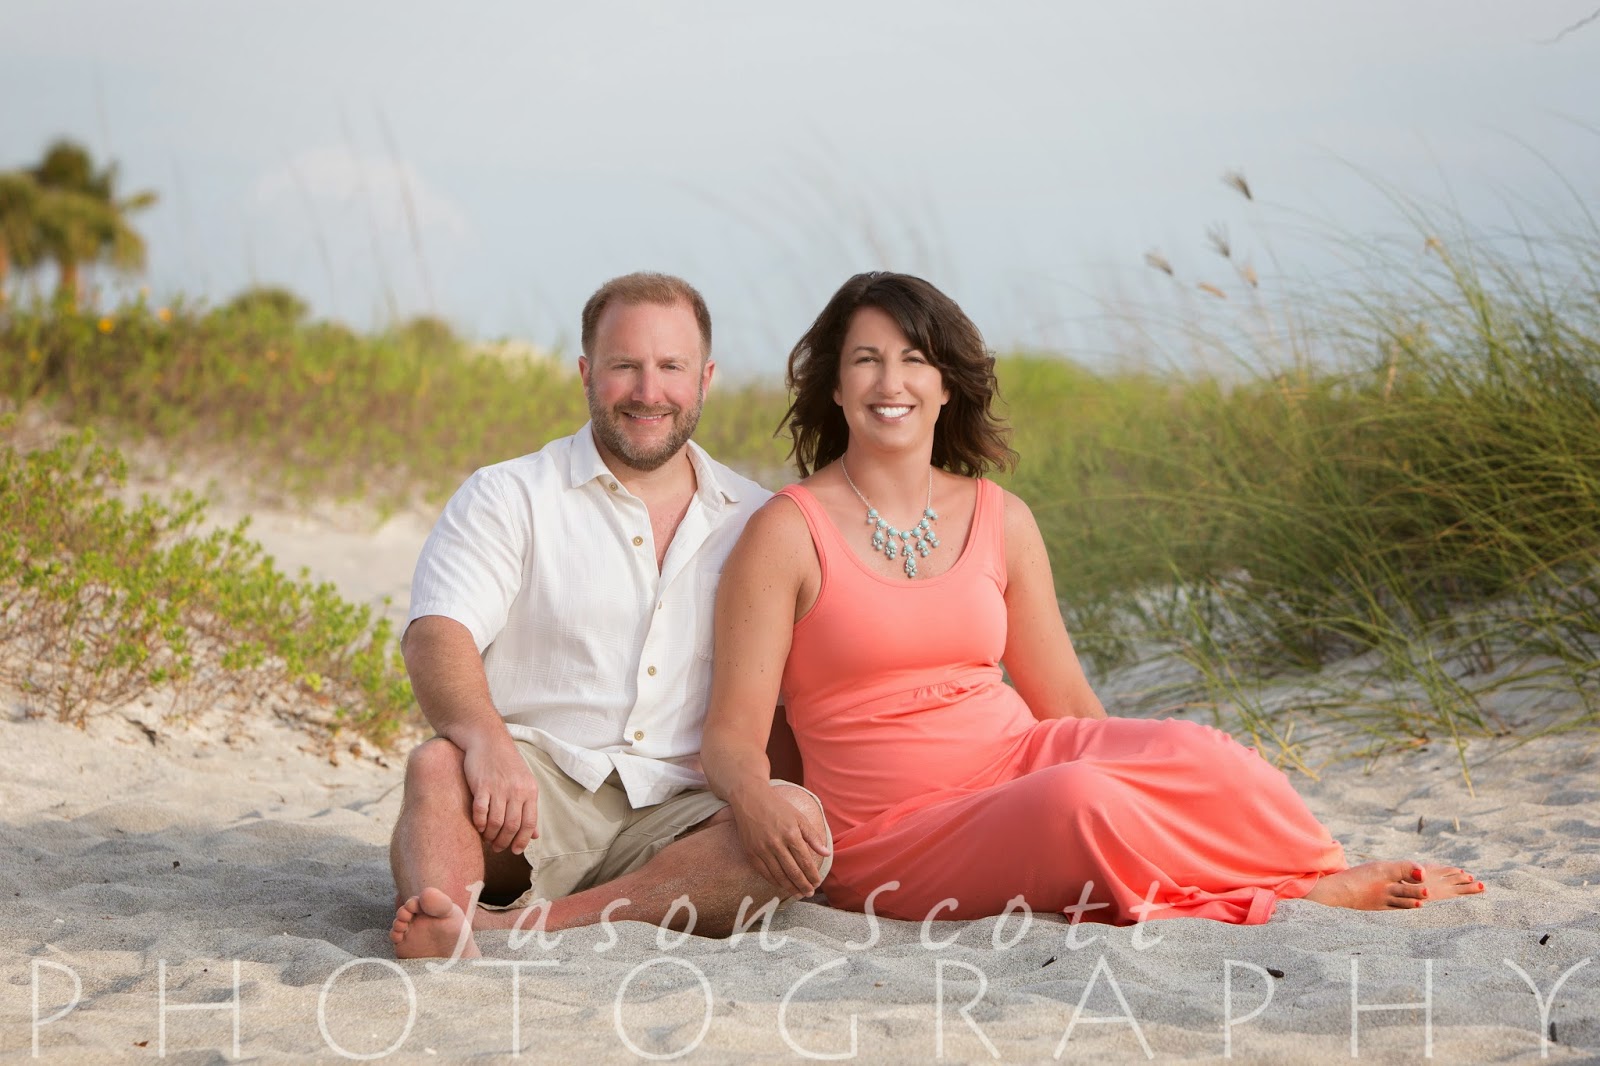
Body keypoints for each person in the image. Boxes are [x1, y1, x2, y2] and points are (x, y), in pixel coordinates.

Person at [700, 271, 1484, 925]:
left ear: (946, 387)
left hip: (1016, 760)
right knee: (1077, 800)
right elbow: (733, 733)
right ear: (835, 388)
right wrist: (758, 799)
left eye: (913, 359)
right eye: (865, 360)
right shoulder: (787, 532)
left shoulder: (1003, 518)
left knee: (1199, 751)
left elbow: (1064, 699)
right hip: (891, 831)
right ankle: (1301, 897)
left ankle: (1317, 867)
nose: (890, 381)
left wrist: (1145, 776)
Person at [389, 272, 832, 960]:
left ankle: (519, 928)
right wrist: (484, 738)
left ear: (705, 377)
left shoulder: (757, 520)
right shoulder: (509, 495)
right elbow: (437, 633)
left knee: (793, 821)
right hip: (530, 798)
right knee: (436, 768)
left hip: (684, 814)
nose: (648, 392)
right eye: (625, 366)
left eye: (670, 368)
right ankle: (445, 919)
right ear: (587, 373)